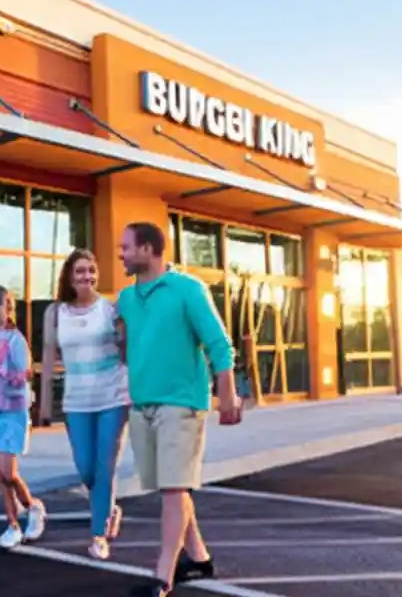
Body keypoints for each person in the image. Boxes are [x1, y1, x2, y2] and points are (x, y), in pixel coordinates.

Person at [115, 222, 242, 597]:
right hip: (143, 404)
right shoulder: (125, 298)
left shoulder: (188, 289)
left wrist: (227, 396)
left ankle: (163, 577)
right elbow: (125, 346)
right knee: (171, 488)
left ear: (149, 249)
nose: (120, 253)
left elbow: (218, 344)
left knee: (174, 488)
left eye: (126, 247)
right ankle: (198, 558)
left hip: (181, 404)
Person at [40, 249, 130, 560]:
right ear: (69, 276)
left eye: (91, 270)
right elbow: (49, 357)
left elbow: (126, 350)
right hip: (76, 401)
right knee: (86, 469)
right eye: (80, 271)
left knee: (104, 467)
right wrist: (44, 402)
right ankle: (108, 508)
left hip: (113, 397)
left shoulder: (110, 308)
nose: (87, 276)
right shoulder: (56, 313)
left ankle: (98, 535)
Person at [0, 284, 47, 548]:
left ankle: (33, 506)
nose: (9, 307)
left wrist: (13, 376)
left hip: (12, 410)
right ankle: (12, 524)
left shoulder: (16, 339)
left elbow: (26, 371)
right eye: (5, 302)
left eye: (11, 303)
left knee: (8, 471)